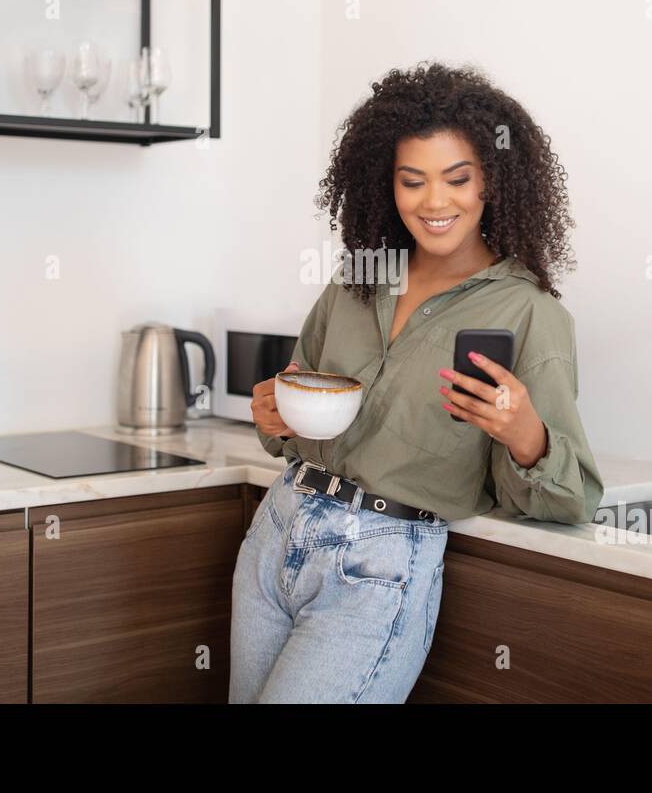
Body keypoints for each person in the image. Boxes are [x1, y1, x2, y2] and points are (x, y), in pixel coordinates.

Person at [230, 61, 604, 703]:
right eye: (413, 181)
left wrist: (525, 435)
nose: (435, 202)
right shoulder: (359, 277)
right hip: (277, 529)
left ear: (493, 178)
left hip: (378, 565)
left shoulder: (529, 313)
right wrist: (274, 417)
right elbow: (298, 407)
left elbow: (576, 499)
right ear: (387, 183)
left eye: (457, 178)